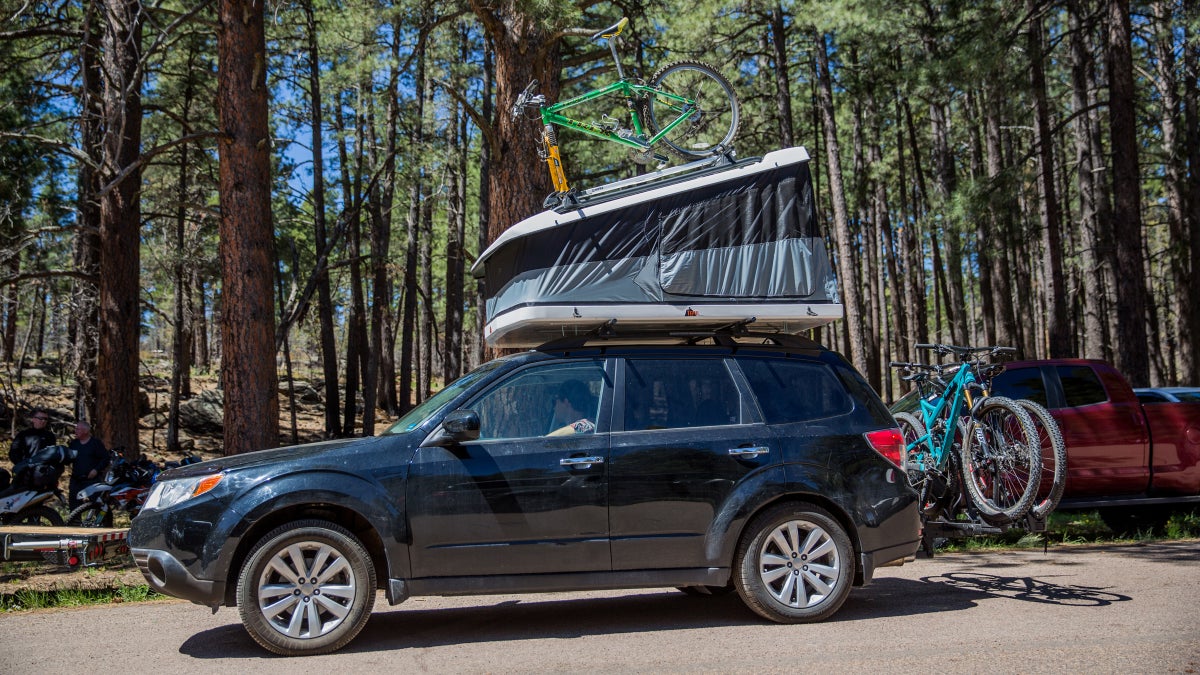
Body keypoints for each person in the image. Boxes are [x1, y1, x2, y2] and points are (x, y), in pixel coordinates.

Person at [2, 408, 57, 492]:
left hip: (41, 475)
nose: (43, 421)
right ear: (33, 419)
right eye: (41, 418)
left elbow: (52, 455)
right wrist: (22, 464)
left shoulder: (50, 436)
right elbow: (13, 452)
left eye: (45, 419)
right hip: (23, 474)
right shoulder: (23, 435)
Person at [67, 421, 109, 510]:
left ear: (85, 431)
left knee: (98, 504)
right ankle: (75, 519)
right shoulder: (74, 444)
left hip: (92, 480)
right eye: (75, 429)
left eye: (78, 429)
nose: (75, 431)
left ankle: (103, 518)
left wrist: (96, 470)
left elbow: (105, 458)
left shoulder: (95, 443)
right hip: (76, 480)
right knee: (74, 507)